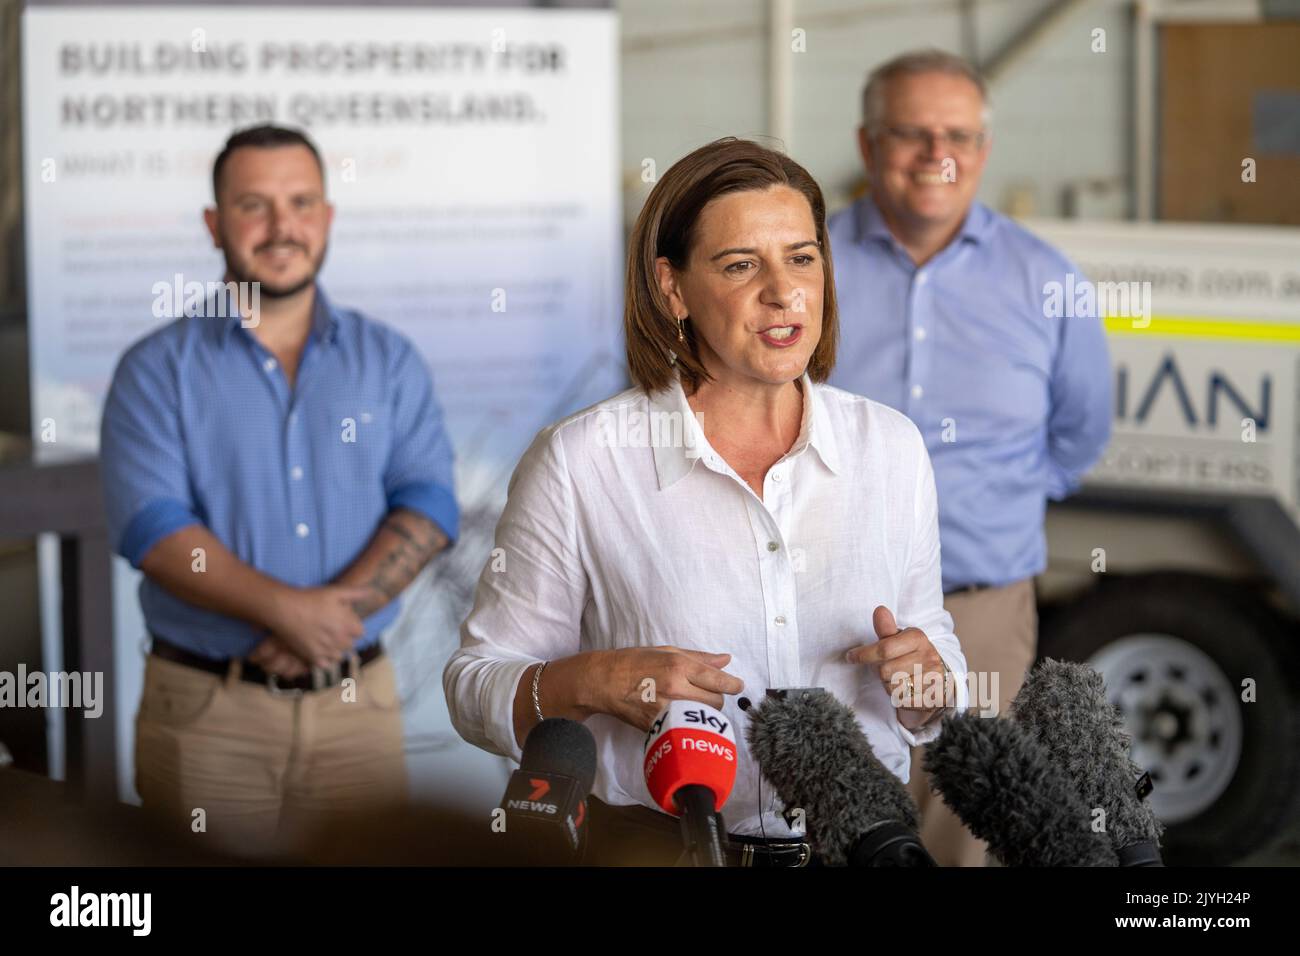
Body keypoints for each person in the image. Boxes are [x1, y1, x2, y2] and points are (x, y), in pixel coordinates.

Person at [444, 137, 968, 867]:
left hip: (862, 848)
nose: (783, 292)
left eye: (802, 257)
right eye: (740, 265)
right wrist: (589, 680)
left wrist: (931, 688)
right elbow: (475, 682)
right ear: (673, 289)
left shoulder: (892, 446)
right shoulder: (581, 460)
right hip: (656, 851)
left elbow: (932, 640)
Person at [100, 124, 459, 858]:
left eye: (300, 202)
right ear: (214, 224)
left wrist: (332, 619)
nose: (280, 226)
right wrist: (289, 612)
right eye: (253, 205)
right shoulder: (154, 369)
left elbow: (428, 503)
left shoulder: (387, 360)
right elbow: (155, 530)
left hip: (360, 707)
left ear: (326, 217)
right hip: (208, 712)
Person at [827, 49, 1112, 865]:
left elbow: (1079, 434)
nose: (934, 153)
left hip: (984, 613)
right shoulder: (807, 269)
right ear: (868, 141)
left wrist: (1000, 505)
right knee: (837, 829)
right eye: (910, 132)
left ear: (983, 149)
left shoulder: (1047, 281)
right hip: (834, 611)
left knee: (962, 833)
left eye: (956, 133)